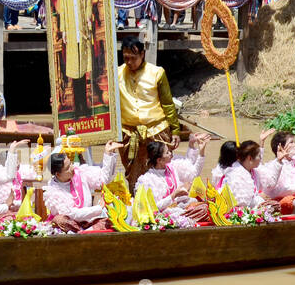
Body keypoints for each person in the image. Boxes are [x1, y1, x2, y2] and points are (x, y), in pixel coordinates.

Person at [118, 38, 180, 186]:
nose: (129, 62)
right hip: (129, 132)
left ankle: (164, 203)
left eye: (133, 58)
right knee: (133, 175)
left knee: (160, 172)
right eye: (126, 58)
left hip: (156, 129)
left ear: (142, 54)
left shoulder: (157, 72)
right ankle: (137, 203)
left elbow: (167, 103)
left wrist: (175, 130)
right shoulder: (117, 74)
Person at [53, 0, 99, 115]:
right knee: (74, 64)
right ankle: (77, 106)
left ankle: (85, 104)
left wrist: (88, 16)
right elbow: (62, 2)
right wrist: (63, 28)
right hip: (71, 24)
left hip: (82, 22)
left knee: (84, 63)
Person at [131, 135, 211, 224]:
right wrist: (174, 195)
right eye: (167, 152)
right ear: (159, 160)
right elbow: (154, 207)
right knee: (201, 210)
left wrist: (201, 150)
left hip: (180, 207)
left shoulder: (172, 167)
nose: (171, 154)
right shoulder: (147, 179)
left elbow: (193, 173)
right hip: (163, 215)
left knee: (205, 207)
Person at [44, 142, 123, 231]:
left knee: (111, 222)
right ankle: (84, 233)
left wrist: (108, 153)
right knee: (60, 220)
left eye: (70, 164)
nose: (72, 168)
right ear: (58, 174)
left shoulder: (80, 173)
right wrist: (98, 208)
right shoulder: (53, 190)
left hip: (88, 222)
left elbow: (103, 179)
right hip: (70, 225)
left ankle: (86, 232)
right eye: (67, 168)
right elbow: (72, 214)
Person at [223, 139, 265, 209]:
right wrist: (260, 198)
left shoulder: (253, 171)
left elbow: (269, 183)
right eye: (259, 156)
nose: (261, 159)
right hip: (237, 212)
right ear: (250, 158)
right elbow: (243, 202)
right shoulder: (236, 174)